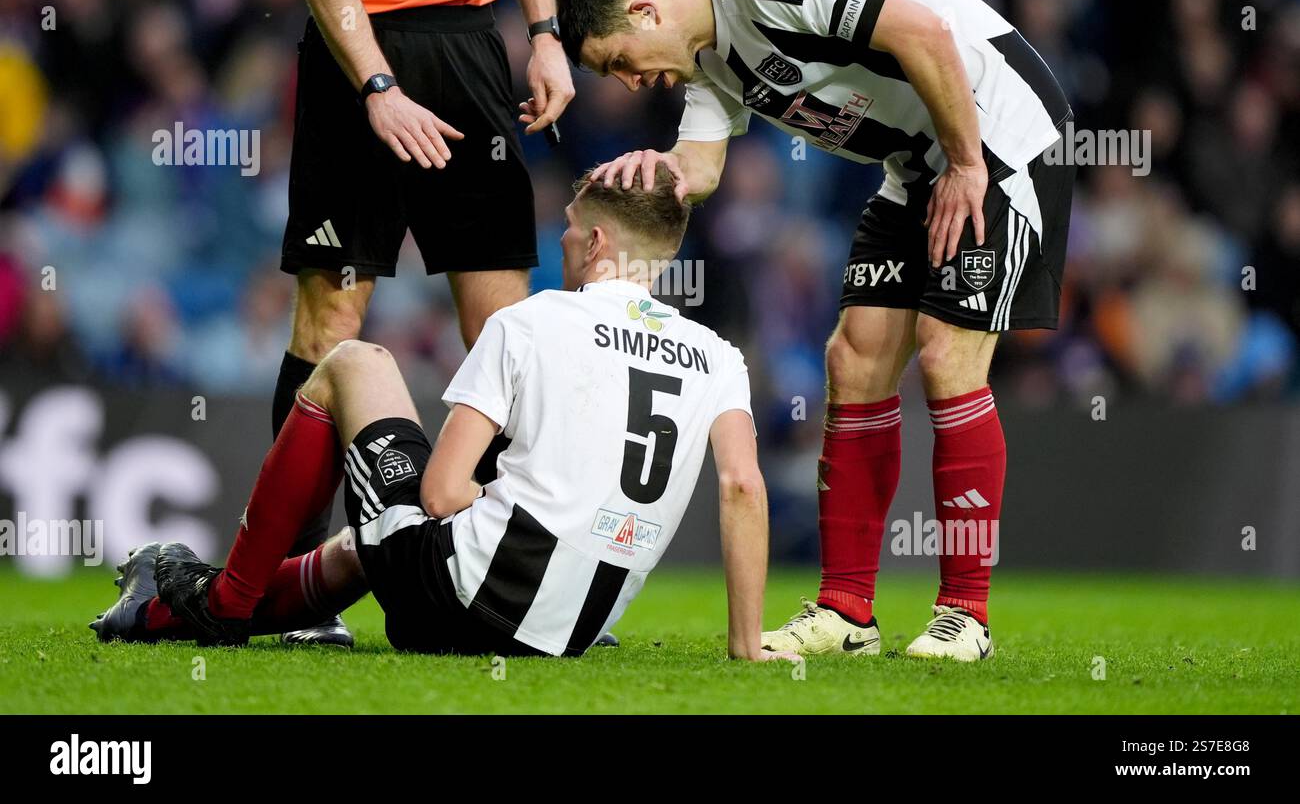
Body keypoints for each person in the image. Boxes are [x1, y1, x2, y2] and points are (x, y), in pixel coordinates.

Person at [557, 0, 1075, 661]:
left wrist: (965, 161)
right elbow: (698, 169)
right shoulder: (707, 61)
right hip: (917, 162)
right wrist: (648, 174)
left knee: (946, 355)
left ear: (644, 12)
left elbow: (921, 30)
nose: (630, 81)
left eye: (618, 60)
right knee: (854, 360)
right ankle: (848, 612)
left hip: (999, 137)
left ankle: (966, 614)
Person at [92, 167, 798, 664]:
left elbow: (439, 491)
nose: (562, 240)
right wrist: (745, 641)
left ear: (598, 244)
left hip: (459, 606)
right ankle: (168, 608)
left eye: (572, 227)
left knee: (353, 361)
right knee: (363, 545)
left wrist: (507, 499)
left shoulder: (534, 319)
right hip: (570, 629)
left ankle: (224, 600)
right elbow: (742, 486)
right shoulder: (717, 354)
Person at [265, 0, 575, 646]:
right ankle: (296, 587)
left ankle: (525, 580)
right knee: (330, 324)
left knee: (506, 328)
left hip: (471, 47)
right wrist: (377, 87)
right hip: (353, 56)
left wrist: (544, 33)